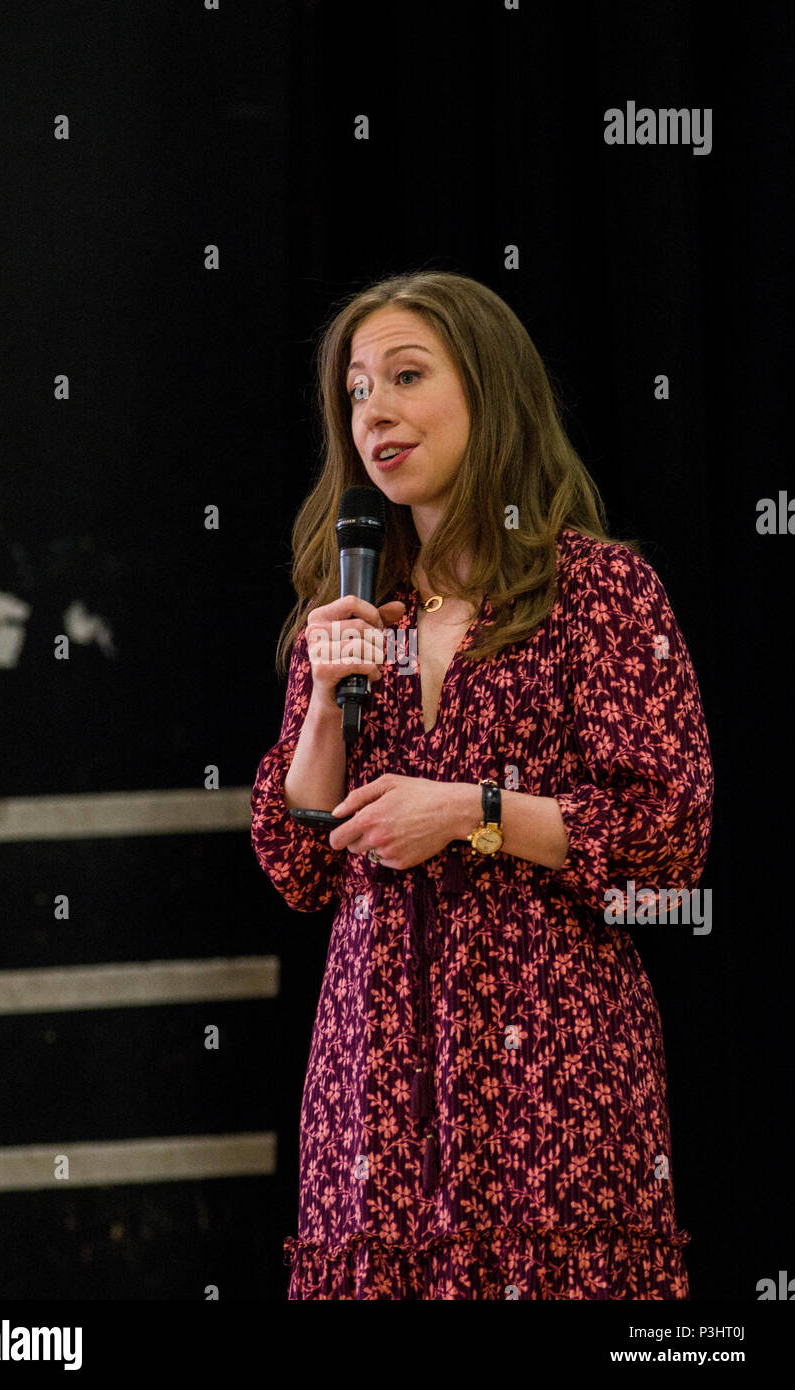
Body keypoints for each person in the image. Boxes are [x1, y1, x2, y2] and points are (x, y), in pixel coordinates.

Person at [250, 270, 713, 1300]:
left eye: (407, 376)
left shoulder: (599, 591)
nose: (376, 412)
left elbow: (668, 840)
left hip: (550, 1051)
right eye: (358, 391)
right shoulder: (353, 607)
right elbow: (293, 862)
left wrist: (472, 812)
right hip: (377, 1063)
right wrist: (327, 702)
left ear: (490, 391)